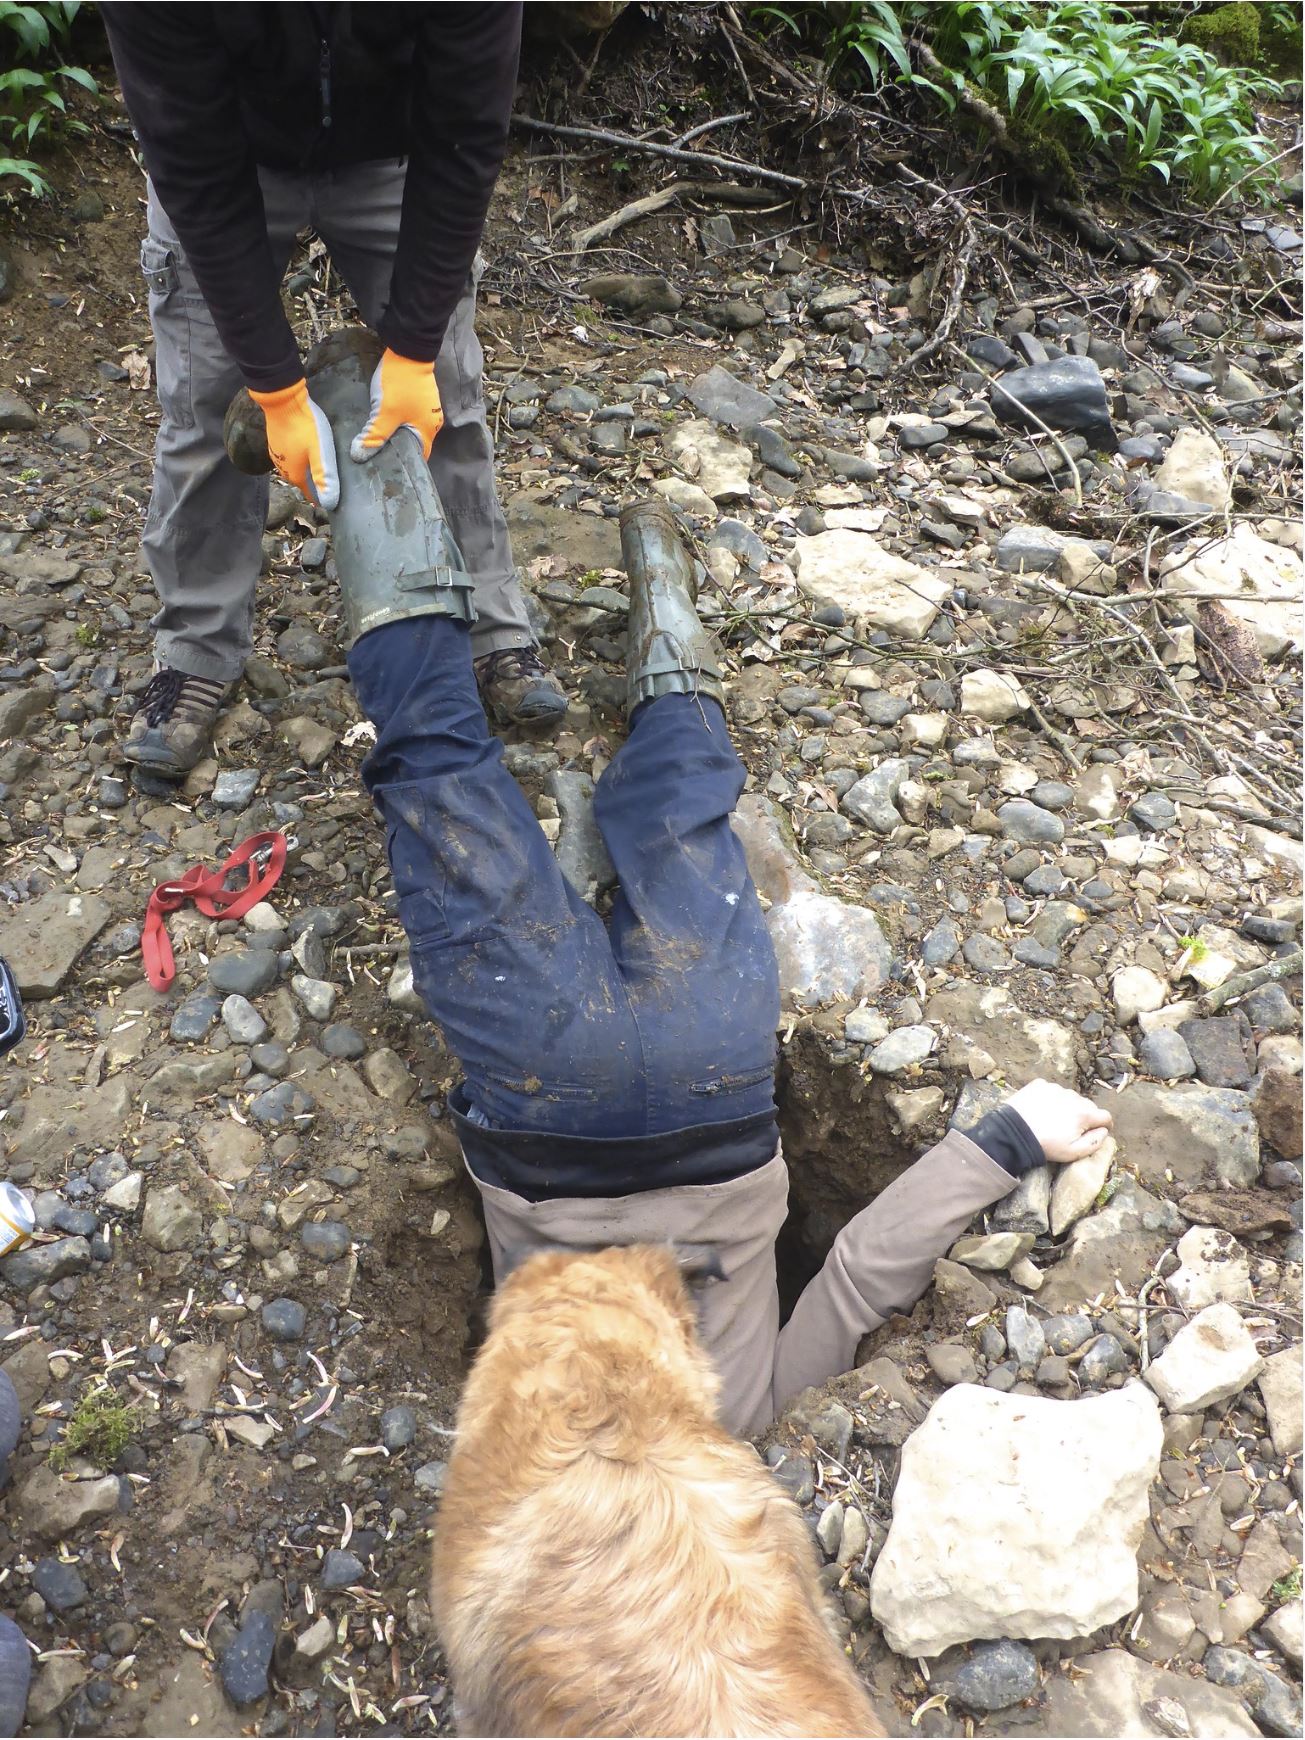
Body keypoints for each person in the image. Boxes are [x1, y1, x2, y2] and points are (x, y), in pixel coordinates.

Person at [336, 492, 1114, 1436]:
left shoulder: (736, 1450)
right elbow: (853, 1286)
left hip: (715, 1087)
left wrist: (1004, 1140)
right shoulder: (525, 1477)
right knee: (444, 791)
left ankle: (665, 612)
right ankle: (370, 456)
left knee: (683, 823)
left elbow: (856, 1280)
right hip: (551, 1103)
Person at [99, 2, 567, 778]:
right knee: (204, 407)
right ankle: (195, 650)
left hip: (401, 152)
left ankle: (489, 626)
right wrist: (276, 391)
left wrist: (413, 350)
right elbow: (192, 159)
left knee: (444, 397)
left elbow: (466, 134)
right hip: (230, 156)